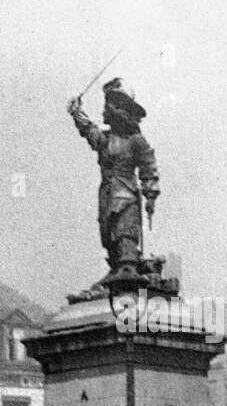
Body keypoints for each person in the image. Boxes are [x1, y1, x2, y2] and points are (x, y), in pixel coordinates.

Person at [67, 78, 160, 292]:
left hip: (126, 193)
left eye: (109, 105)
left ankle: (128, 265)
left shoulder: (136, 140)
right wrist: (76, 112)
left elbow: (148, 167)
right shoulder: (106, 140)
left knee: (124, 231)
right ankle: (117, 265)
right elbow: (88, 130)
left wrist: (150, 194)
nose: (105, 111)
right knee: (108, 232)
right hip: (107, 195)